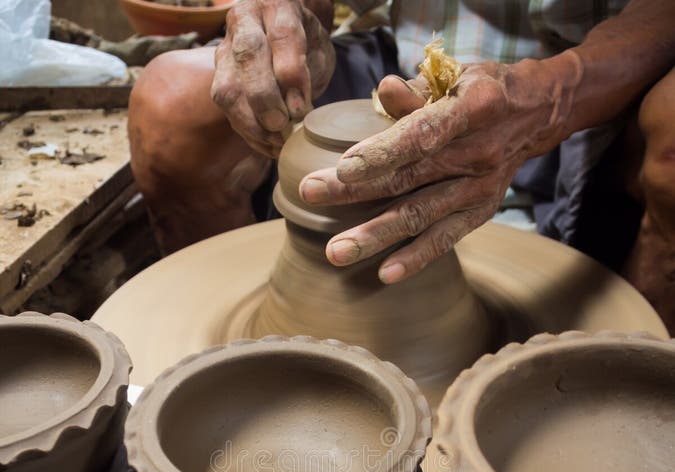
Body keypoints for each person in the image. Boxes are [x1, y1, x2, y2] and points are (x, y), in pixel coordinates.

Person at [129, 0, 675, 331]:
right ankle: (237, 356)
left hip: (607, 89)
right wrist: (288, 21)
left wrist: (555, 96)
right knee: (172, 100)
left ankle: (626, 393)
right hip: (408, 73)